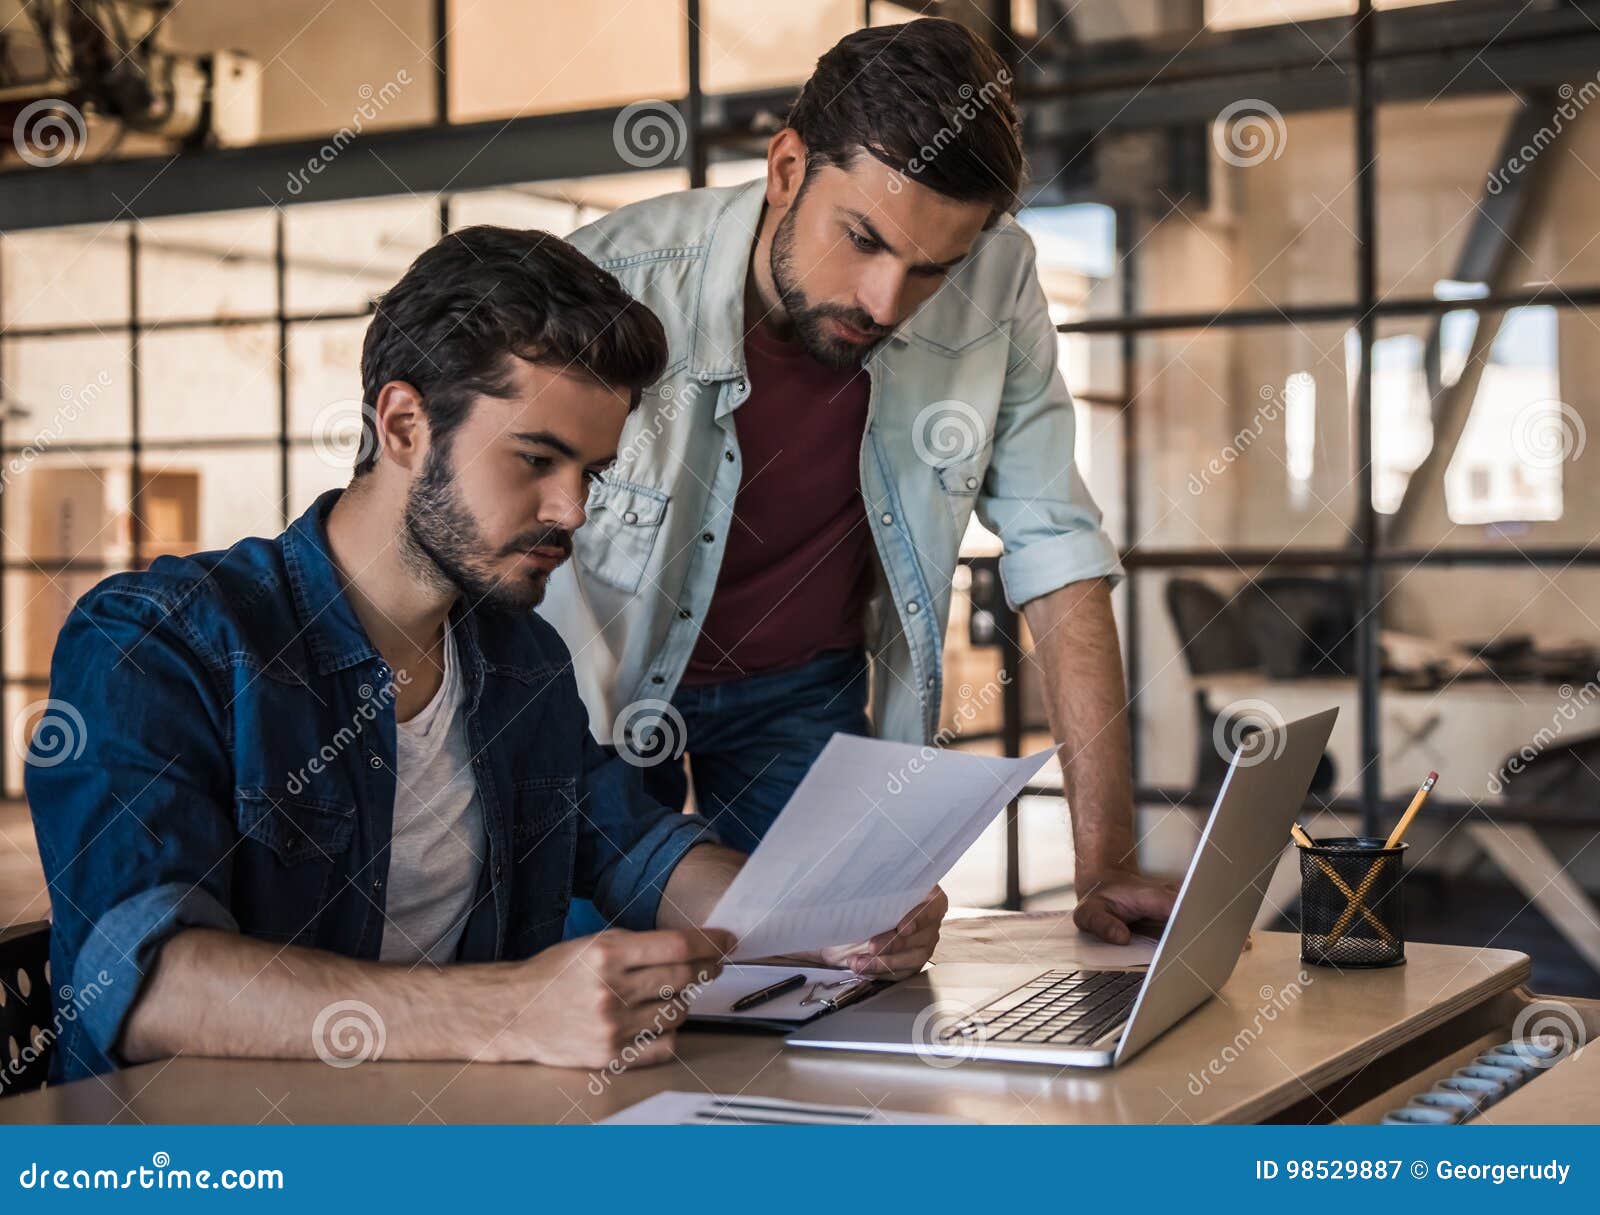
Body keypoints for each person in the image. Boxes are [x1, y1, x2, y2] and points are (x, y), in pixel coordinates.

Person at [26, 226, 944, 1084]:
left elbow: (639, 849)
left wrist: (828, 920)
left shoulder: (518, 659)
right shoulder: (156, 642)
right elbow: (140, 988)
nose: (572, 511)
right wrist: (509, 1012)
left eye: (590, 471)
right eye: (536, 460)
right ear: (402, 425)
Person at [546, 17, 1174, 943]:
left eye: (931, 270)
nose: (886, 303)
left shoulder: (998, 283)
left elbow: (1055, 543)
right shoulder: (611, 282)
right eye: (865, 240)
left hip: (801, 690)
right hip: (597, 696)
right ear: (788, 168)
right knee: (598, 978)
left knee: (824, 971)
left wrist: (1106, 859)